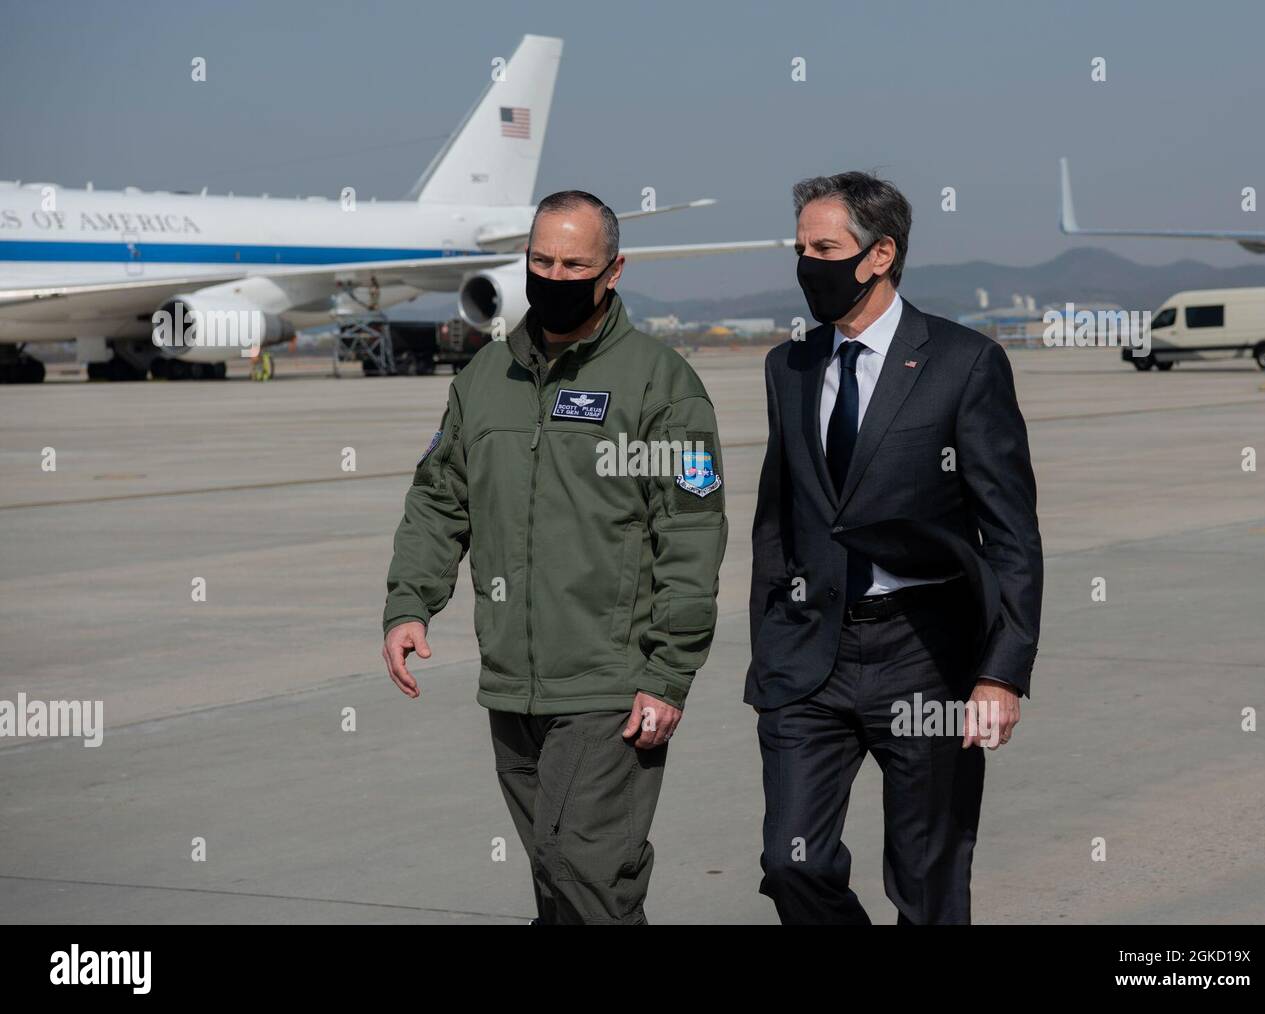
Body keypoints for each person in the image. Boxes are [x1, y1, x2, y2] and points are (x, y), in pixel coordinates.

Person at [382, 190, 727, 925]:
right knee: (554, 876)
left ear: (614, 272)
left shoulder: (659, 384)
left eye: (575, 264)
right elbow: (439, 500)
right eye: (541, 261)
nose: (555, 276)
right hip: (513, 684)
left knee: (587, 870)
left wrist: (669, 673)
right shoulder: (483, 380)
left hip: (611, 683)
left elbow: (692, 534)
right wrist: (410, 603)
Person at [747, 171, 1043, 924]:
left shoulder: (964, 362)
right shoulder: (789, 366)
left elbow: (1011, 534)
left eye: (825, 249)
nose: (807, 264)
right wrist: (770, 640)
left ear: (879, 255)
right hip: (810, 658)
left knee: (927, 879)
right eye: (800, 249)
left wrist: (1001, 674)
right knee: (790, 862)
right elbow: (776, 520)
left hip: (926, 653)